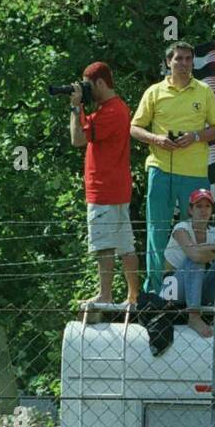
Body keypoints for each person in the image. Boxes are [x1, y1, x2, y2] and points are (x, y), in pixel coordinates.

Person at [130, 40, 215, 293]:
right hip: (160, 169)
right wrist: (156, 139)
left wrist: (195, 136)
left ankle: (188, 292)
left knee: (196, 232)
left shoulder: (204, 90)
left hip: (194, 173)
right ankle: (154, 291)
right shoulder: (154, 92)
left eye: (188, 59)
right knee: (157, 230)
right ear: (168, 62)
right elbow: (134, 128)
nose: (184, 64)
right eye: (178, 59)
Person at [69, 61, 138, 306]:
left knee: (105, 246)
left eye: (88, 86)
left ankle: (105, 295)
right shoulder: (116, 108)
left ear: (100, 83)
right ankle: (133, 296)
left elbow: (77, 139)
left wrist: (76, 108)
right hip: (117, 188)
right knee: (125, 245)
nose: (86, 91)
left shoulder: (110, 112)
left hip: (103, 190)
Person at [161, 189, 215, 339]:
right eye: (199, 206)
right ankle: (194, 316)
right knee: (194, 260)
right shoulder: (181, 228)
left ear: (212, 210)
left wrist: (212, 250)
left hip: (196, 287)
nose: (203, 210)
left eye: (207, 206)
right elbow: (194, 255)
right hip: (172, 289)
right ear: (190, 210)